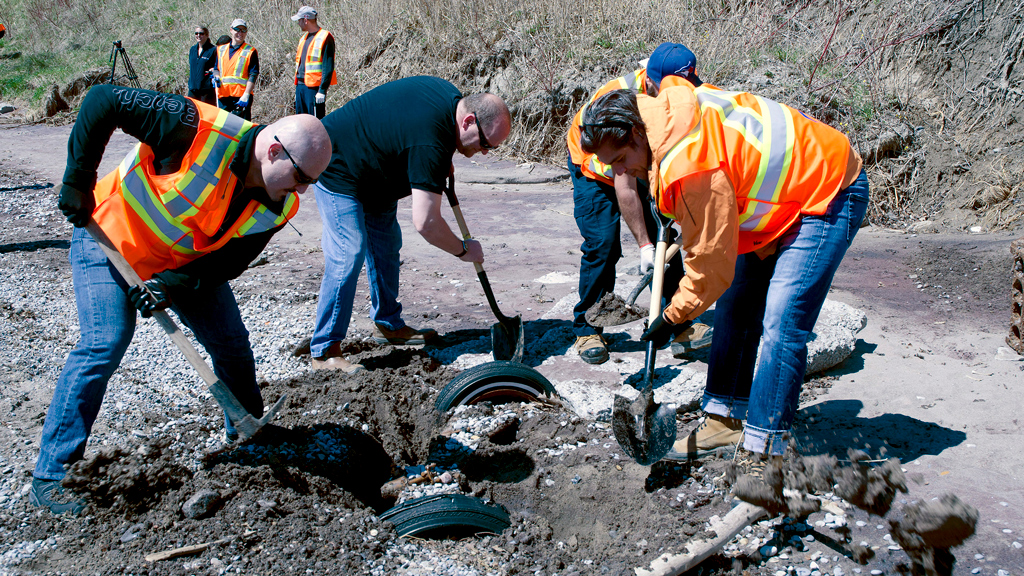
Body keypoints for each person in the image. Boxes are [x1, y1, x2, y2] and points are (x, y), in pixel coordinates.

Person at [32, 85, 330, 514]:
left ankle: (247, 434)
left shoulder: (276, 206)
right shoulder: (192, 127)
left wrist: (168, 285)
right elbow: (103, 101)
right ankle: (53, 474)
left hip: (181, 262)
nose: (301, 191)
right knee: (105, 342)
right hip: (110, 238)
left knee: (230, 343)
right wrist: (76, 182)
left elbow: (225, 264)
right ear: (275, 151)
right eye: (302, 177)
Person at [579, 78, 868, 462]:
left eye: (620, 161)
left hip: (826, 190)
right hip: (776, 202)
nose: (623, 171)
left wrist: (672, 316)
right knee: (736, 302)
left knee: (782, 322)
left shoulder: (690, 164)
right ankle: (724, 422)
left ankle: (764, 452)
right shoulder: (663, 117)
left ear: (635, 133)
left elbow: (711, 267)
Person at [311, 76, 511, 374]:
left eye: (491, 148)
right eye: (484, 143)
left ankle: (388, 324)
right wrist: (462, 250)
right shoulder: (431, 141)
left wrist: (441, 158)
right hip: (338, 165)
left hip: (376, 172)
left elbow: (409, 132)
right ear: (468, 120)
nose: (484, 151)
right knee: (348, 253)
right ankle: (325, 350)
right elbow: (426, 223)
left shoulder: (449, 99)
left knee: (386, 246)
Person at [565, 42, 711, 365]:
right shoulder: (621, 103)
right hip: (594, 165)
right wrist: (644, 246)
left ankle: (678, 325)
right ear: (654, 83)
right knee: (603, 243)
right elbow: (624, 182)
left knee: (666, 238)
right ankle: (588, 328)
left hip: (638, 159)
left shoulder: (678, 94)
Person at [291, 6, 336, 119]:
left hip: (314, 89)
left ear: (305, 20)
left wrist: (322, 90)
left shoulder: (325, 37)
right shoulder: (303, 38)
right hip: (301, 86)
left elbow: (328, 66)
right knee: (301, 122)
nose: (298, 23)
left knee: (315, 123)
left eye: (299, 20)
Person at [213, 18, 258, 120]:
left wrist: (246, 94)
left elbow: (253, 75)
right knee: (222, 128)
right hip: (223, 96)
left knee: (242, 130)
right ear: (231, 30)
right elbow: (216, 68)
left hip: (241, 97)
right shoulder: (220, 49)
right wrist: (216, 77)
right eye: (237, 29)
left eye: (243, 30)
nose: (240, 33)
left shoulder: (251, 51)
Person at [187, 25, 217, 106]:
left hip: (206, 90)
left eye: (201, 33)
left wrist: (213, 70)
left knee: (206, 114)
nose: (198, 35)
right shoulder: (192, 49)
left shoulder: (213, 50)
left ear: (207, 35)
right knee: (191, 113)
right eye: (196, 33)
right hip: (193, 88)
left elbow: (218, 67)